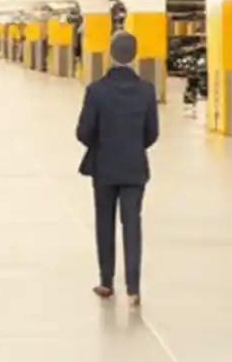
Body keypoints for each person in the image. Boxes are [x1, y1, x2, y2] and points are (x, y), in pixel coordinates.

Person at [76, 31, 159, 307]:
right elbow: (152, 133)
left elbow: (83, 132)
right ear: (134, 55)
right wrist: (133, 146)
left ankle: (106, 281)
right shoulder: (146, 90)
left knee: (104, 223)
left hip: (105, 167)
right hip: (135, 166)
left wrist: (103, 145)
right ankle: (133, 288)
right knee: (132, 224)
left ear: (110, 54)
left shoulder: (96, 90)